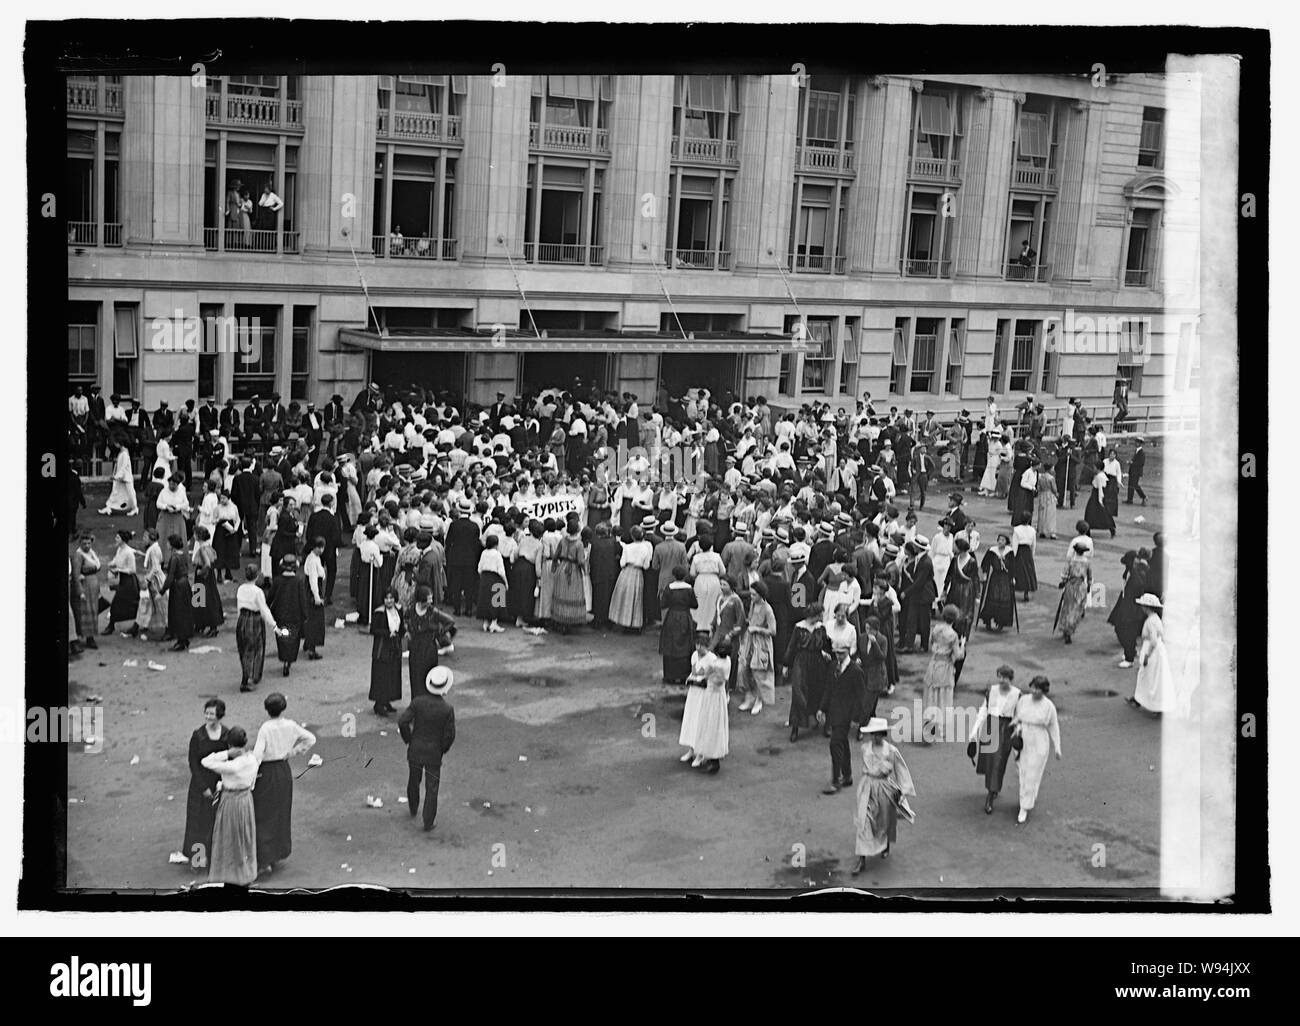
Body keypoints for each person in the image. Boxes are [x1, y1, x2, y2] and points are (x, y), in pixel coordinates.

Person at [250, 692, 316, 875]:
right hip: (283, 771)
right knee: (280, 812)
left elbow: (257, 755)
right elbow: (310, 739)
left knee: (263, 814)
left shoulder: (266, 728)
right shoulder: (291, 725)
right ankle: (278, 853)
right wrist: (292, 752)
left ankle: (264, 860)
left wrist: (250, 778)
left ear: (267, 709)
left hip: (267, 772)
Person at [850, 718, 916, 872]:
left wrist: (903, 790)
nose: (875, 737)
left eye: (878, 734)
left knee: (883, 821)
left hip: (884, 788)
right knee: (864, 821)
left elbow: (901, 770)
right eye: (873, 734)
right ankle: (861, 860)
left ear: (883, 734)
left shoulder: (891, 751)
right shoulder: (865, 748)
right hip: (867, 787)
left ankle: (885, 844)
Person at [399, 666, 458, 831]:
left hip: (416, 748)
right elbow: (449, 735)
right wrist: (442, 749)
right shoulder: (447, 709)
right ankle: (428, 821)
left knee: (413, 779)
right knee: (432, 787)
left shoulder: (418, 702)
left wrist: (409, 739)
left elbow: (403, 721)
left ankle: (413, 806)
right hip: (433, 752)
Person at [174, 698, 230, 868]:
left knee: (216, 823)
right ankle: (198, 861)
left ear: (219, 715)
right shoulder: (198, 735)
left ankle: (215, 859)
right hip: (201, 785)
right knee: (198, 824)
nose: (207, 716)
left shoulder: (226, 734)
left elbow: (229, 759)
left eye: (211, 714)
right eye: (206, 713)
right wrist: (203, 787)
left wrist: (222, 783)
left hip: (219, 783)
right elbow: (193, 763)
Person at [200, 726, 259, 886]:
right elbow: (252, 783)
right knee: (245, 836)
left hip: (231, 802)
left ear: (230, 745)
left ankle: (229, 876)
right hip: (246, 799)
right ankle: (246, 874)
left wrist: (226, 754)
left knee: (229, 838)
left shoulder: (232, 766)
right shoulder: (252, 759)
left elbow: (206, 761)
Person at [968, 665, 1021, 815]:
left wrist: (1018, 731)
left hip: (1006, 729)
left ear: (1011, 679)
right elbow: (983, 711)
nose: (1002, 680)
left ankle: (990, 795)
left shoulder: (1017, 695)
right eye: (1000, 677)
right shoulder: (992, 691)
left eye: (1005, 677)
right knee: (991, 761)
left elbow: (1019, 716)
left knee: (999, 762)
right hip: (990, 726)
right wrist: (974, 733)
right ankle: (993, 787)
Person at [818, 641, 869, 795]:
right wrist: (822, 708)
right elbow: (828, 688)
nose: (838, 655)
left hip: (846, 715)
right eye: (836, 652)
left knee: (835, 744)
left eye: (842, 653)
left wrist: (856, 718)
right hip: (834, 712)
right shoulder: (833, 667)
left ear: (848, 651)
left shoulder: (855, 671)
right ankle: (847, 776)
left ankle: (836, 780)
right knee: (842, 743)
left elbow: (861, 698)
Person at [1010, 676, 1061, 824]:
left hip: (1039, 742)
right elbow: (1017, 717)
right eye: (1033, 687)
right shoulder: (1024, 700)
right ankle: (1026, 797)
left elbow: (1053, 726)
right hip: (1023, 739)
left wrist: (1057, 746)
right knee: (1023, 773)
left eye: (1038, 689)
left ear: (1044, 691)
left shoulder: (1049, 706)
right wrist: (1014, 731)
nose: (1034, 691)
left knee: (1032, 774)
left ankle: (1024, 807)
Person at [677, 631, 730, 773]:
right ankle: (691, 749)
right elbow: (693, 672)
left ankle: (701, 754)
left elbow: (713, 678)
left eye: (701, 644)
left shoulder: (713, 659)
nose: (698, 647)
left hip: (705, 695)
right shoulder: (694, 655)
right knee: (691, 720)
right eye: (696, 644)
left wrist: (700, 680)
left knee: (701, 724)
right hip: (694, 694)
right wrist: (691, 679)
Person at [921, 605, 965, 743]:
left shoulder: (936, 629)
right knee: (943, 698)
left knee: (931, 697)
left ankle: (928, 726)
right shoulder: (953, 635)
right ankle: (938, 729)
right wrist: (962, 645)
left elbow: (931, 643)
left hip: (933, 664)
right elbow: (958, 655)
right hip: (945, 667)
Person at [784, 610, 828, 742]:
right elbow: (791, 647)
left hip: (817, 661)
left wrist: (825, 652)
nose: (820, 617)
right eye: (819, 614)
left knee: (817, 690)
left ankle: (819, 721)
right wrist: (787, 664)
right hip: (802, 661)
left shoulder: (821, 627)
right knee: (799, 691)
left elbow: (826, 644)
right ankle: (795, 728)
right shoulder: (799, 627)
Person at [406, 585, 456, 698]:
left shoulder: (433, 612)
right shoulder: (411, 610)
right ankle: (416, 702)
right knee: (415, 676)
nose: (431, 601)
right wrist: (407, 631)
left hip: (429, 649)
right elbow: (405, 619)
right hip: (415, 648)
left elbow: (450, 621)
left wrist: (440, 632)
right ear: (421, 599)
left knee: (428, 676)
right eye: (429, 598)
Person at [235, 564, 278, 691]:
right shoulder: (258, 592)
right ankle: (251, 676)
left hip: (242, 620)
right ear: (257, 576)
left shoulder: (241, 589)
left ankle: (246, 676)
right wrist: (274, 625)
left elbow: (239, 606)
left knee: (244, 650)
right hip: (255, 620)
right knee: (256, 650)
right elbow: (264, 610)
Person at [738, 579, 777, 715]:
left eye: (754, 594)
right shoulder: (753, 605)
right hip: (749, 641)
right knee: (743, 669)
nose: (751, 597)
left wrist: (758, 629)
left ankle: (759, 700)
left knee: (758, 672)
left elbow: (773, 631)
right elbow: (750, 620)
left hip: (762, 643)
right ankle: (749, 696)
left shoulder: (768, 609)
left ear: (761, 594)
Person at [266, 554, 309, 677]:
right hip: (295, 615)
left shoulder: (278, 581)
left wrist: (266, 609)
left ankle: (284, 659)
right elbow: (302, 599)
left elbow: (270, 597)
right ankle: (289, 661)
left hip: (280, 615)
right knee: (293, 639)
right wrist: (305, 615)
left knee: (282, 638)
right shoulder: (299, 581)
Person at [1131, 594, 1174, 713]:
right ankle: (1140, 699)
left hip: (1152, 651)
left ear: (1146, 607)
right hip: (1159, 651)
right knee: (1155, 678)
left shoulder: (1150, 621)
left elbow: (1153, 641)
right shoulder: (1156, 618)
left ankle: (1153, 704)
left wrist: (1147, 655)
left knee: (1149, 677)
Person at [658, 565, 698, 686]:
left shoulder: (669, 588)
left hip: (672, 617)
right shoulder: (689, 588)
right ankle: (683, 675)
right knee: (685, 645)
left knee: (670, 644)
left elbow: (663, 604)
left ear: (674, 575)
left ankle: (670, 675)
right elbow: (695, 604)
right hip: (685, 617)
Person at [1108, 550, 1148, 667]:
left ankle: (1129, 656)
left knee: (1127, 632)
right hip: (1126, 604)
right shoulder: (1130, 572)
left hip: (1132, 607)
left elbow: (1139, 589)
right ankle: (1130, 652)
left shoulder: (1137, 574)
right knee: (1122, 629)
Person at [370, 589, 406, 715]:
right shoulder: (379, 612)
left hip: (395, 647)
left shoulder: (399, 609)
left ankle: (387, 700)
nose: (389, 601)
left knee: (393, 674)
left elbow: (401, 626)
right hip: (382, 648)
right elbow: (373, 629)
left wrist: (403, 633)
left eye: (391, 598)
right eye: (386, 598)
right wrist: (387, 633)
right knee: (381, 675)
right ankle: (378, 704)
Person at [549, 521, 589, 634]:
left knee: (561, 593)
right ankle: (570, 621)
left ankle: (560, 620)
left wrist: (555, 565)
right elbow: (580, 561)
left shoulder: (562, 540)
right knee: (572, 594)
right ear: (577, 530)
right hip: (573, 570)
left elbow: (555, 555)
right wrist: (585, 568)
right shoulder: (579, 544)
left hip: (562, 568)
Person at [609, 525, 651, 632]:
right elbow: (646, 566)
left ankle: (623, 621)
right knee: (636, 598)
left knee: (624, 597)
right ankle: (634, 623)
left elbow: (622, 563)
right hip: (638, 573)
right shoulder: (646, 548)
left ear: (632, 536)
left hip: (626, 572)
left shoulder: (627, 547)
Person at [1053, 535, 1093, 644]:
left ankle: (1065, 627)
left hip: (1070, 585)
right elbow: (1089, 576)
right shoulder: (1087, 562)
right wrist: (1089, 585)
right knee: (1077, 608)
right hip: (1080, 586)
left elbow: (1065, 573)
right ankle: (1070, 629)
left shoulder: (1071, 561)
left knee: (1067, 607)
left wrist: (1063, 581)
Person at [104, 529, 141, 637]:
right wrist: (111, 564)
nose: (115, 539)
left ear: (123, 540)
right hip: (123, 580)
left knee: (120, 603)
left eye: (117, 537)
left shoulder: (128, 552)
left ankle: (112, 626)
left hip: (129, 581)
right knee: (125, 603)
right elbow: (116, 560)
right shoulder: (120, 549)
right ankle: (115, 625)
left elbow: (132, 569)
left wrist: (118, 570)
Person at [161, 533, 195, 651]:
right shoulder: (183, 555)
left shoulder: (174, 558)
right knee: (185, 612)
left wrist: (162, 590)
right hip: (185, 584)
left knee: (177, 613)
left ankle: (181, 639)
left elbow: (170, 576)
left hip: (178, 587)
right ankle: (184, 638)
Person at [979, 534, 1017, 632]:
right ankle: (988, 621)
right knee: (992, 597)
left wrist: (1013, 577)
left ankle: (1001, 622)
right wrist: (985, 574)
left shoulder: (1009, 552)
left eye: (1003, 540)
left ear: (1006, 542)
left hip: (1005, 578)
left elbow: (1013, 565)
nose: (1000, 542)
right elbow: (985, 563)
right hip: (995, 577)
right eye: (999, 540)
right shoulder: (992, 551)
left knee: (1004, 598)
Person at [688, 539, 725, 632]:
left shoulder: (696, 557)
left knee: (700, 602)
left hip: (700, 579)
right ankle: (711, 624)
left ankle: (699, 624)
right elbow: (723, 571)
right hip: (714, 579)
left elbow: (692, 573)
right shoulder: (716, 556)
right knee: (713, 602)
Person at [476, 533, 509, 633]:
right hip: (495, 578)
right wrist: (506, 582)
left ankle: (486, 623)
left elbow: (479, 568)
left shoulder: (484, 553)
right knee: (497, 601)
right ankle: (494, 623)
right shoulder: (497, 554)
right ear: (496, 544)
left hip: (485, 578)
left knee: (485, 600)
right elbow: (501, 570)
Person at [101, 441, 139, 515]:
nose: (115, 444)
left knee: (130, 493)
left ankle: (135, 508)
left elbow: (123, 466)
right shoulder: (123, 452)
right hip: (122, 476)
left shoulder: (124, 453)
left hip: (125, 476)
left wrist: (117, 476)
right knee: (115, 491)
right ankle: (108, 507)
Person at [1009, 512, 1037, 602]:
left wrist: (1013, 555)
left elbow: (1015, 544)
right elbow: (1034, 544)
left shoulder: (1016, 530)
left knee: (1017, 571)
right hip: (1027, 552)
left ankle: (1013, 590)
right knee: (1028, 572)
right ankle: (1026, 592)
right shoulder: (1032, 530)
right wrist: (1032, 554)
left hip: (1020, 551)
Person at [1084, 463, 1116, 538]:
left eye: (1094, 467)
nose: (1094, 469)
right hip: (1097, 496)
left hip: (1096, 497)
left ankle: (1088, 529)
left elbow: (1100, 489)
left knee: (1091, 513)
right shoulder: (1102, 475)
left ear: (1098, 468)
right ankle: (1088, 529)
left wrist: (1100, 500)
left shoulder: (1099, 477)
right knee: (1102, 513)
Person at [1127, 438, 1148, 505]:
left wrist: (1131, 463)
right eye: (1136, 442)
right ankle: (1129, 499)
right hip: (1133, 471)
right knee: (1131, 485)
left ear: (1140, 443)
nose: (1136, 443)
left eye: (1137, 442)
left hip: (1136, 471)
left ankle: (1144, 497)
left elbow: (1141, 463)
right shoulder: (1137, 451)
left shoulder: (1141, 453)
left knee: (1135, 485)